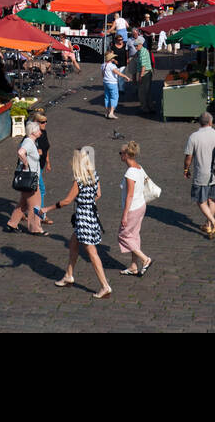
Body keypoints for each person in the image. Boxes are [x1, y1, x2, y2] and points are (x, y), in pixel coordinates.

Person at [48, 146, 112, 299]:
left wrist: (46, 209)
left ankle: (105, 286)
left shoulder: (79, 180)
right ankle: (68, 275)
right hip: (91, 213)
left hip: (83, 217)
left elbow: (66, 201)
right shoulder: (94, 175)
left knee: (92, 253)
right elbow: (98, 194)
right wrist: (88, 201)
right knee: (73, 244)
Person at [184, 112, 215, 238]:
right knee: (212, 200)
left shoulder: (194, 137)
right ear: (211, 122)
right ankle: (209, 226)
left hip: (202, 174)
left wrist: (186, 169)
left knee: (200, 200)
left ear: (200, 122)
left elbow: (189, 157)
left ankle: (212, 222)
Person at [117, 141, 153, 276]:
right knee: (134, 235)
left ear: (126, 155)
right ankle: (133, 266)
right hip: (141, 205)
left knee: (123, 236)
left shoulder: (130, 172)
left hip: (133, 208)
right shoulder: (139, 167)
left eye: (121, 153)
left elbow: (129, 195)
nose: (119, 155)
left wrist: (125, 215)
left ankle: (145, 259)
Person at [4, 122, 46, 234]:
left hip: (30, 178)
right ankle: (35, 229)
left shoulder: (31, 142)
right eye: (38, 130)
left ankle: (12, 224)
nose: (40, 132)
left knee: (23, 203)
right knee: (35, 205)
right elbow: (21, 152)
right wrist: (26, 164)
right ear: (32, 131)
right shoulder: (28, 142)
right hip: (30, 178)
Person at [30, 108, 51, 218]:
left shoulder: (44, 132)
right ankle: (41, 215)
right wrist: (36, 151)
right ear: (36, 123)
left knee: (29, 191)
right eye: (43, 122)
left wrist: (48, 162)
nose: (45, 124)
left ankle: (20, 213)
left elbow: (47, 148)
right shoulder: (32, 135)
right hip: (34, 167)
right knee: (41, 189)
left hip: (41, 166)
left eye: (46, 121)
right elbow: (24, 148)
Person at [130, 33, 154, 113]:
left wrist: (140, 76)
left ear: (140, 44)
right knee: (147, 91)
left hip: (145, 73)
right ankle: (150, 106)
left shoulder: (143, 52)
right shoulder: (140, 51)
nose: (135, 47)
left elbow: (143, 66)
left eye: (136, 46)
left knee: (142, 92)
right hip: (146, 73)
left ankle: (145, 108)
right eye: (135, 46)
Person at [102, 56, 127, 120]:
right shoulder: (112, 66)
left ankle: (107, 112)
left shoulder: (103, 65)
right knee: (114, 97)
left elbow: (102, 74)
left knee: (107, 97)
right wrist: (126, 76)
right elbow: (118, 73)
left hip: (105, 82)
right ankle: (111, 113)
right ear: (111, 59)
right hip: (112, 83)